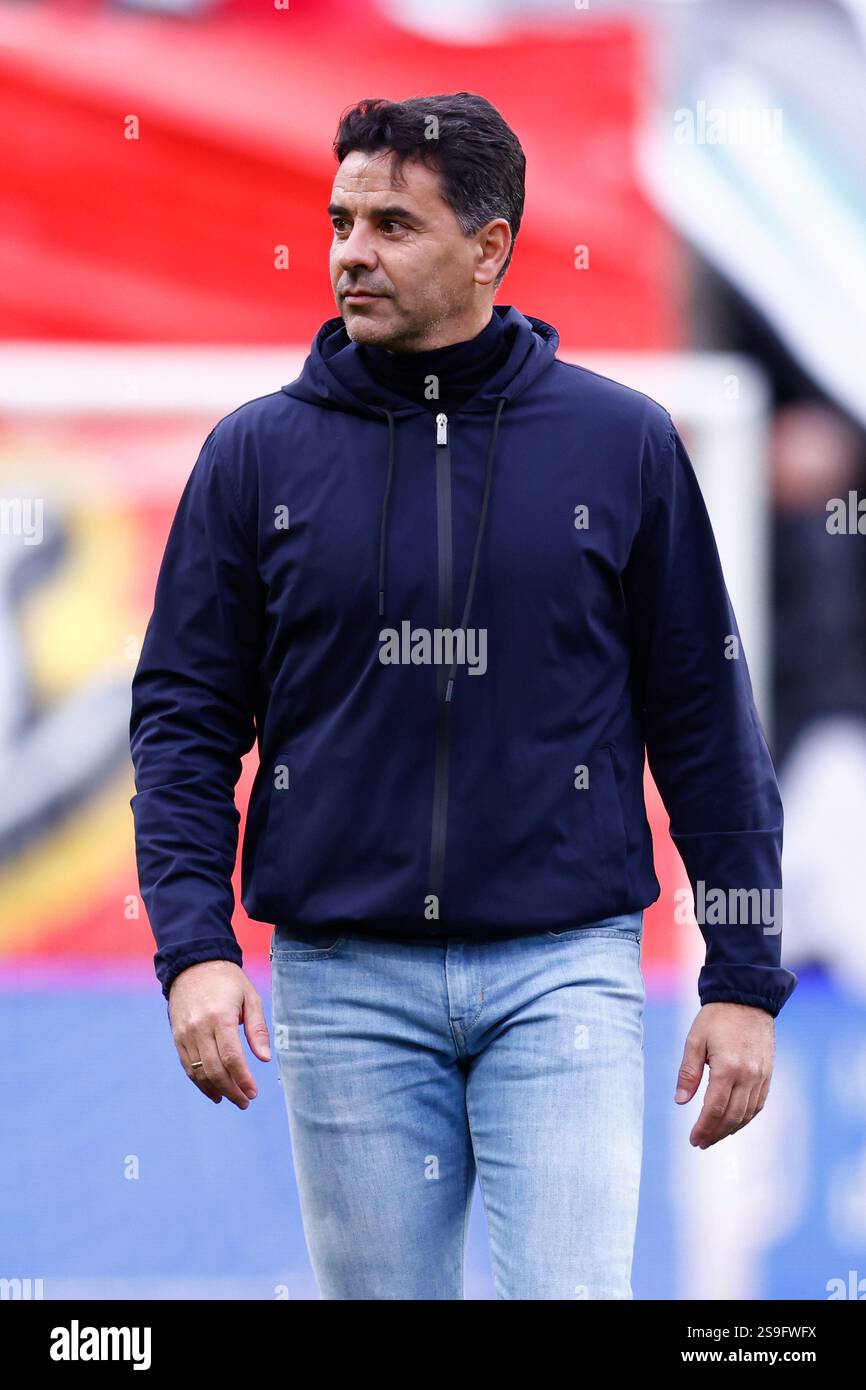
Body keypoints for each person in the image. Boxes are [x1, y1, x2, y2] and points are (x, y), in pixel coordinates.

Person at [129, 92, 798, 1300]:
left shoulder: (622, 444)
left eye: (391, 222)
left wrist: (743, 974)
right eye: (339, 220)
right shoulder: (253, 457)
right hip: (340, 980)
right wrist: (190, 947)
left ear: (489, 247)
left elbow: (703, 721)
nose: (349, 251)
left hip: (565, 976)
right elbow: (182, 720)